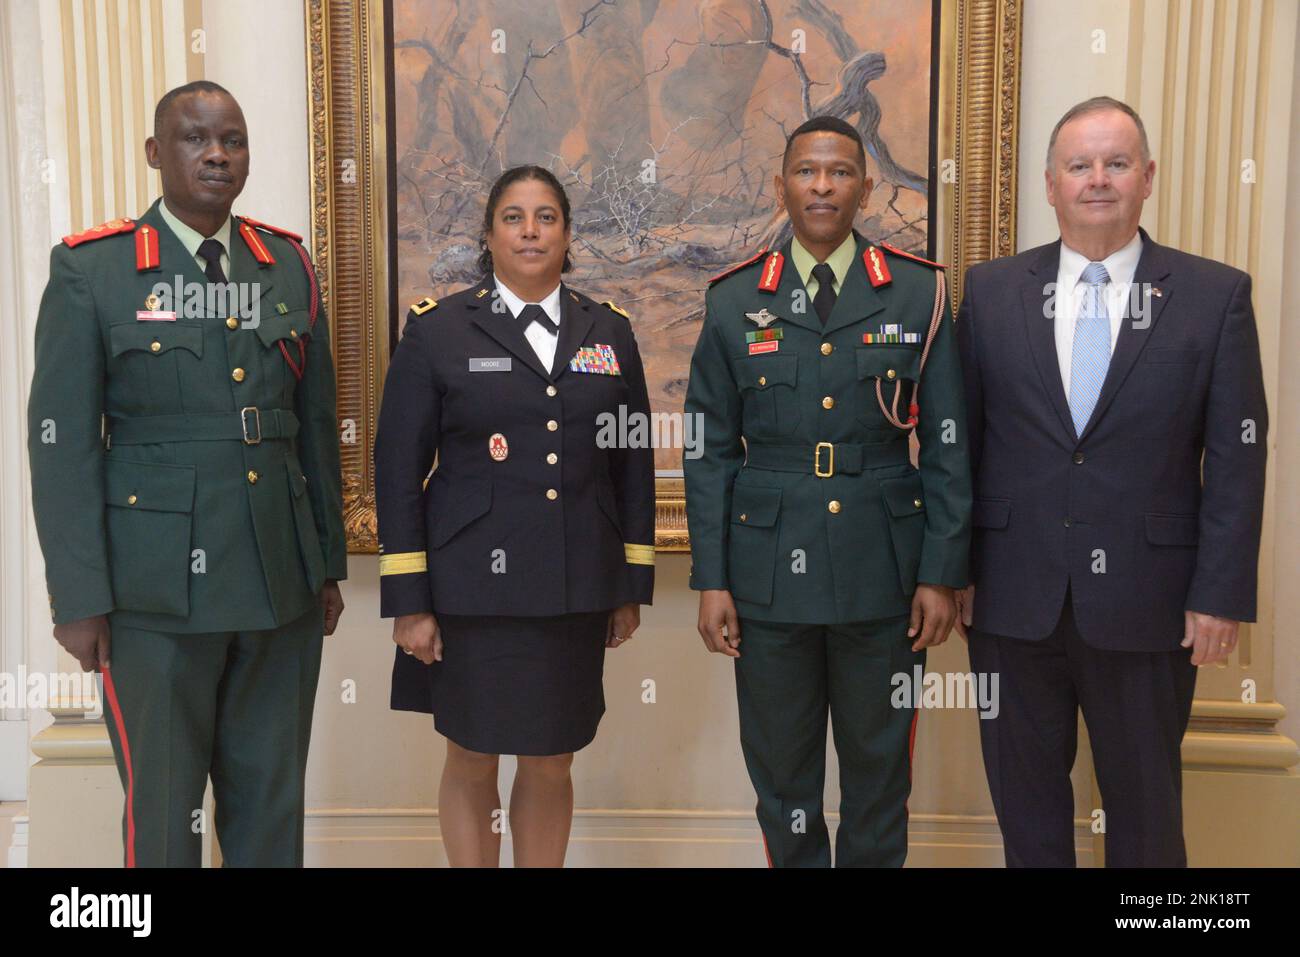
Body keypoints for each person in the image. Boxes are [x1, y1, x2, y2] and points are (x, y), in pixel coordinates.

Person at [27, 80, 347, 867]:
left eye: (232, 140)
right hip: (153, 597)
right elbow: (61, 446)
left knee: (271, 811)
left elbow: (314, 427)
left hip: (279, 586)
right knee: (166, 818)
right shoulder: (92, 271)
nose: (216, 154)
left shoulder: (288, 265)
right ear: (154, 153)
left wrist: (326, 565)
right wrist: (79, 598)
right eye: (195, 139)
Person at [955, 96, 1269, 867]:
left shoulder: (1213, 296)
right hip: (1009, 600)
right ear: (1051, 184)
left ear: (1148, 177)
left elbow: (1236, 455)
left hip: (1151, 604)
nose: (1099, 179)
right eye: (1080, 165)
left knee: (1147, 819)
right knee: (1027, 814)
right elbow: (955, 445)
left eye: (1117, 163)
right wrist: (950, 570)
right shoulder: (991, 292)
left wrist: (1219, 592)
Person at [683, 116, 971, 867]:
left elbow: (947, 445)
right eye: (806, 172)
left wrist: (943, 570)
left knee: (879, 775)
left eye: (840, 171)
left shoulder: (918, 292)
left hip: (886, 574)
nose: (822, 186)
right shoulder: (732, 299)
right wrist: (711, 578)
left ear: (865, 186)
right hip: (768, 577)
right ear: (781, 186)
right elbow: (708, 450)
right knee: (784, 778)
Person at [374, 165, 655, 868]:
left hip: (572, 585)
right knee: (472, 753)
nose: (530, 231)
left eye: (547, 217)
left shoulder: (609, 331)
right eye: (513, 217)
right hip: (471, 589)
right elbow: (397, 472)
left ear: (567, 233)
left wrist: (629, 584)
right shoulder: (437, 331)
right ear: (488, 233)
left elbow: (633, 463)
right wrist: (410, 599)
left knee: (552, 756)